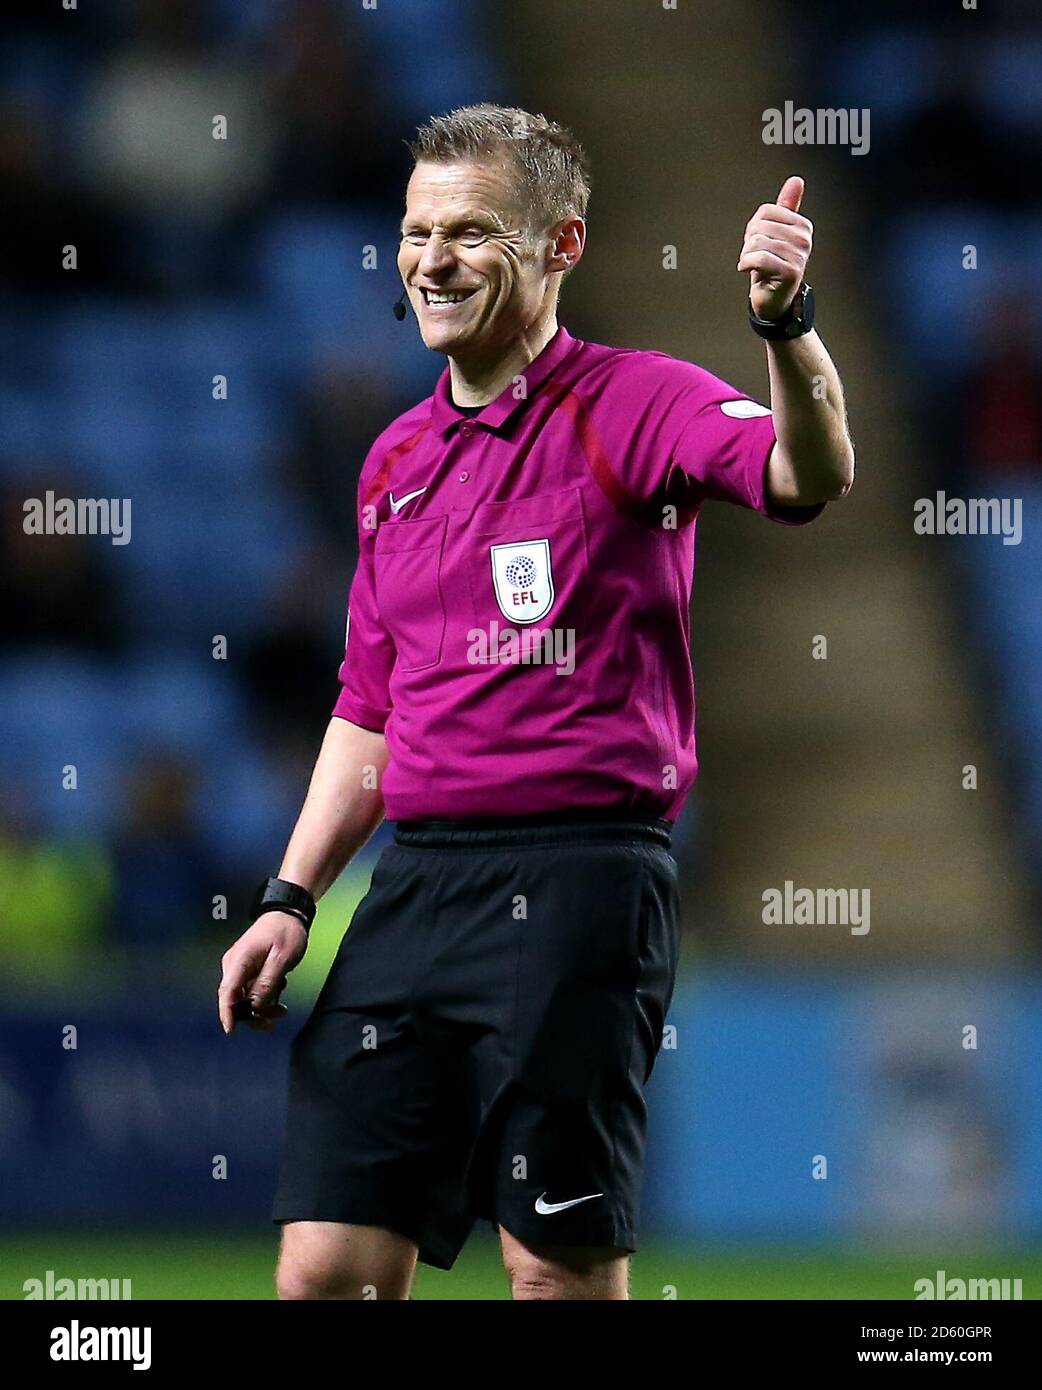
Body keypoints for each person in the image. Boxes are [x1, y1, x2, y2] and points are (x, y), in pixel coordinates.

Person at [218, 104, 854, 1301]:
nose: (431, 261)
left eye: (471, 233)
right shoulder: (394, 461)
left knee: (552, 1274)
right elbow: (368, 705)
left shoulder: (638, 400)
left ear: (560, 245)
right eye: (415, 233)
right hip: (413, 890)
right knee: (324, 1267)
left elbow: (802, 471)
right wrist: (291, 895)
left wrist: (787, 326)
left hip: (577, 886)